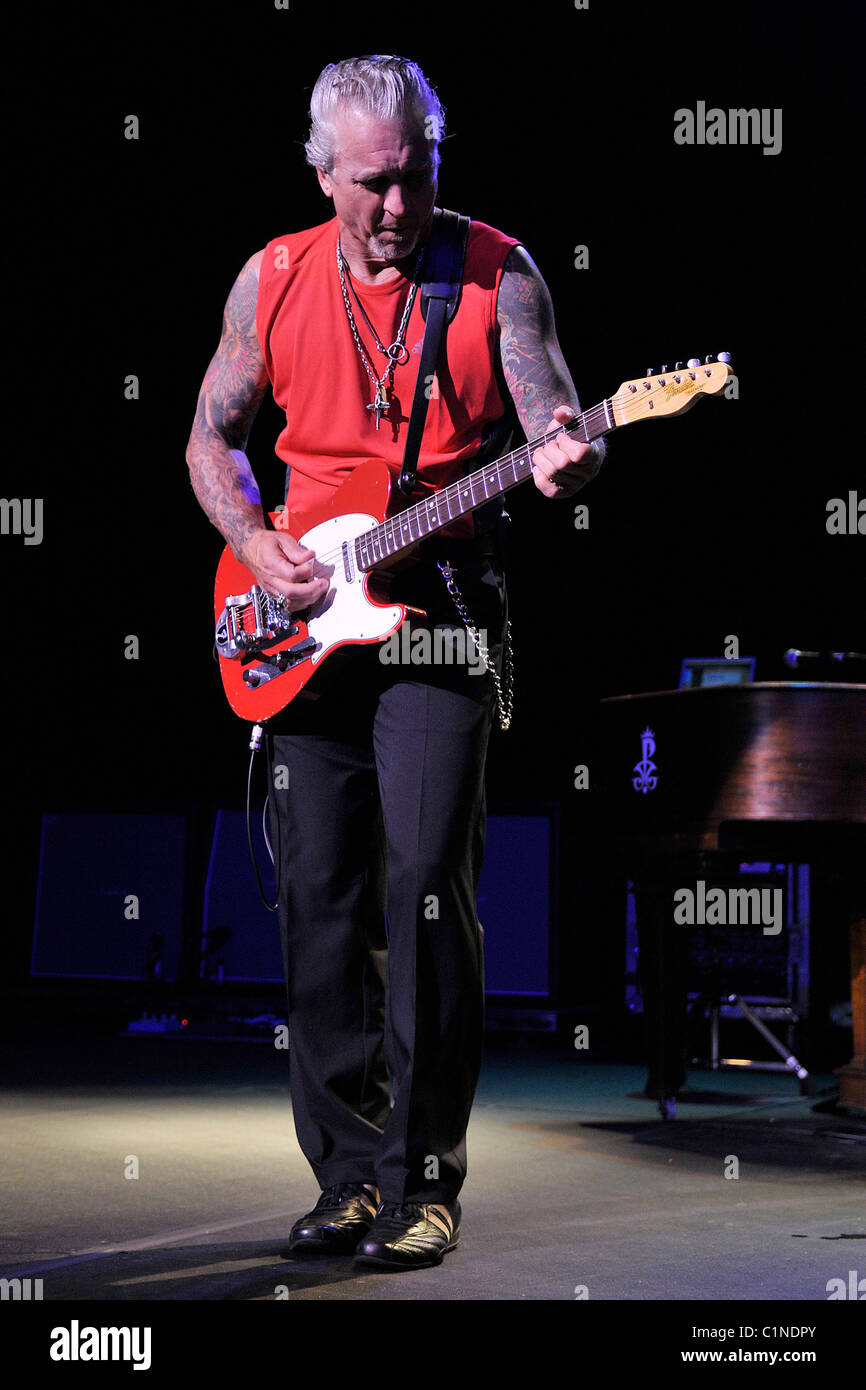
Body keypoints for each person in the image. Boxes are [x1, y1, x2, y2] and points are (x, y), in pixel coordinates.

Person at [186, 54, 603, 1271]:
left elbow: (554, 426)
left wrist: (571, 457)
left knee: (426, 887)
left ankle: (424, 1181)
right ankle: (347, 1179)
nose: (395, 204)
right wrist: (255, 542)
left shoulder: (497, 273)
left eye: (416, 173)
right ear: (321, 172)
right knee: (314, 903)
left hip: (442, 611)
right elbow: (213, 437)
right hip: (305, 614)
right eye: (370, 181)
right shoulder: (271, 278)